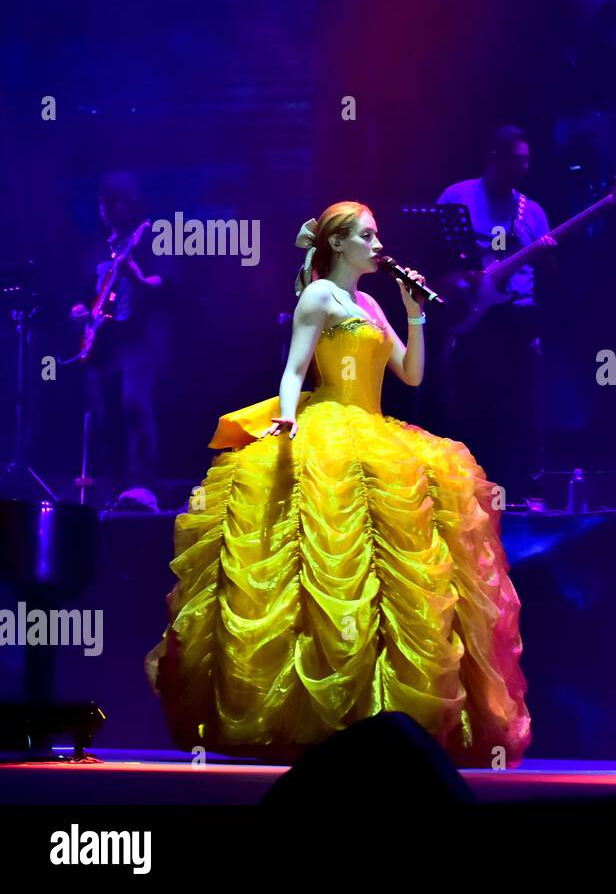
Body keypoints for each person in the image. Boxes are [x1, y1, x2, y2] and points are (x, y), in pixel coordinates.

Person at [144, 201, 531, 766]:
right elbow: (296, 367)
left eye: (378, 236)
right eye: (367, 236)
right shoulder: (319, 295)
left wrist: (414, 312)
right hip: (329, 423)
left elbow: (412, 375)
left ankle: (388, 717)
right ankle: (307, 713)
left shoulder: (372, 301)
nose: (379, 245)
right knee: (321, 554)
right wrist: (290, 415)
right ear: (338, 244)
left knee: (411, 547)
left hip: (375, 426)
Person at [436, 125, 555, 506]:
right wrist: (460, 281)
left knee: (516, 407)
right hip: (472, 319)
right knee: (471, 404)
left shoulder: (531, 212)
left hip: (516, 320)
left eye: (527, 161)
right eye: (516, 160)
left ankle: (514, 495)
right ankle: (464, 491)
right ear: (494, 158)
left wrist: (546, 252)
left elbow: (550, 275)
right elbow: (433, 256)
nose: (524, 168)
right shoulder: (457, 197)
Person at [70, 171, 165, 495]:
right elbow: (83, 294)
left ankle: (143, 486)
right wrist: (79, 310)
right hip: (104, 343)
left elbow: (166, 287)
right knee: (104, 413)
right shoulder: (95, 249)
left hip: (139, 339)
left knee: (134, 405)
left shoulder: (149, 242)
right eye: (103, 202)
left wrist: (136, 275)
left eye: (115, 201)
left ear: (129, 204)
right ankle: (114, 485)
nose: (107, 208)